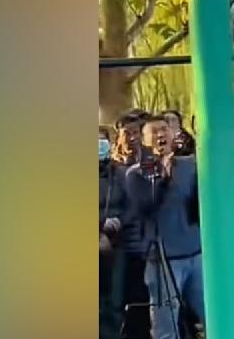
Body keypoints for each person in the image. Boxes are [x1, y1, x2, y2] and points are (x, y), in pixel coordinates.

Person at [125, 115, 205, 339]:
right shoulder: (136, 174)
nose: (161, 135)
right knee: (165, 323)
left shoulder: (190, 165)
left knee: (210, 312)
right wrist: (163, 175)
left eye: (164, 129)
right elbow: (146, 205)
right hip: (163, 259)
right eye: (154, 132)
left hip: (195, 253)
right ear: (144, 139)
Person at [110, 112, 151, 339]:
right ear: (119, 137)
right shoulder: (112, 167)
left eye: (136, 132)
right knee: (121, 295)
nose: (133, 137)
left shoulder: (150, 162)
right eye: (128, 133)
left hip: (147, 241)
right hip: (121, 243)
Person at [100, 126, 130, 339]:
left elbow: (134, 204)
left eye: (102, 141)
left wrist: (120, 221)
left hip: (119, 243)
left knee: (116, 299)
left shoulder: (120, 173)